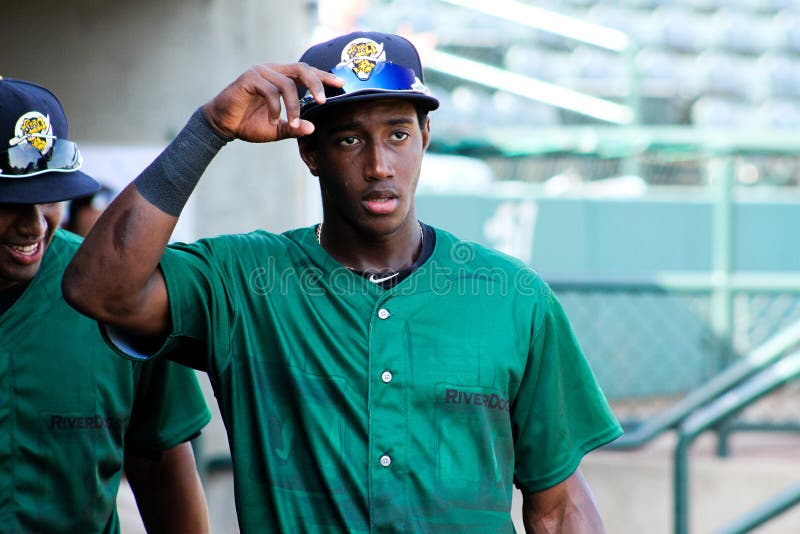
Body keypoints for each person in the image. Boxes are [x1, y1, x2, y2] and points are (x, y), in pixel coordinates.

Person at [63, 32, 623, 532]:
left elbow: (558, 506)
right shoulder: (244, 280)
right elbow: (98, 288)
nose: (379, 165)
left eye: (398, 134)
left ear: (426, 136)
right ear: (310, 151)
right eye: (350, 140)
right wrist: (207, 129)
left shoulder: (513, 297)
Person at [0, 77, 212, 533]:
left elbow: (161, 465)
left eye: (48, 196)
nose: (34, 225)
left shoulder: (117, 293)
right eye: (10, 200)